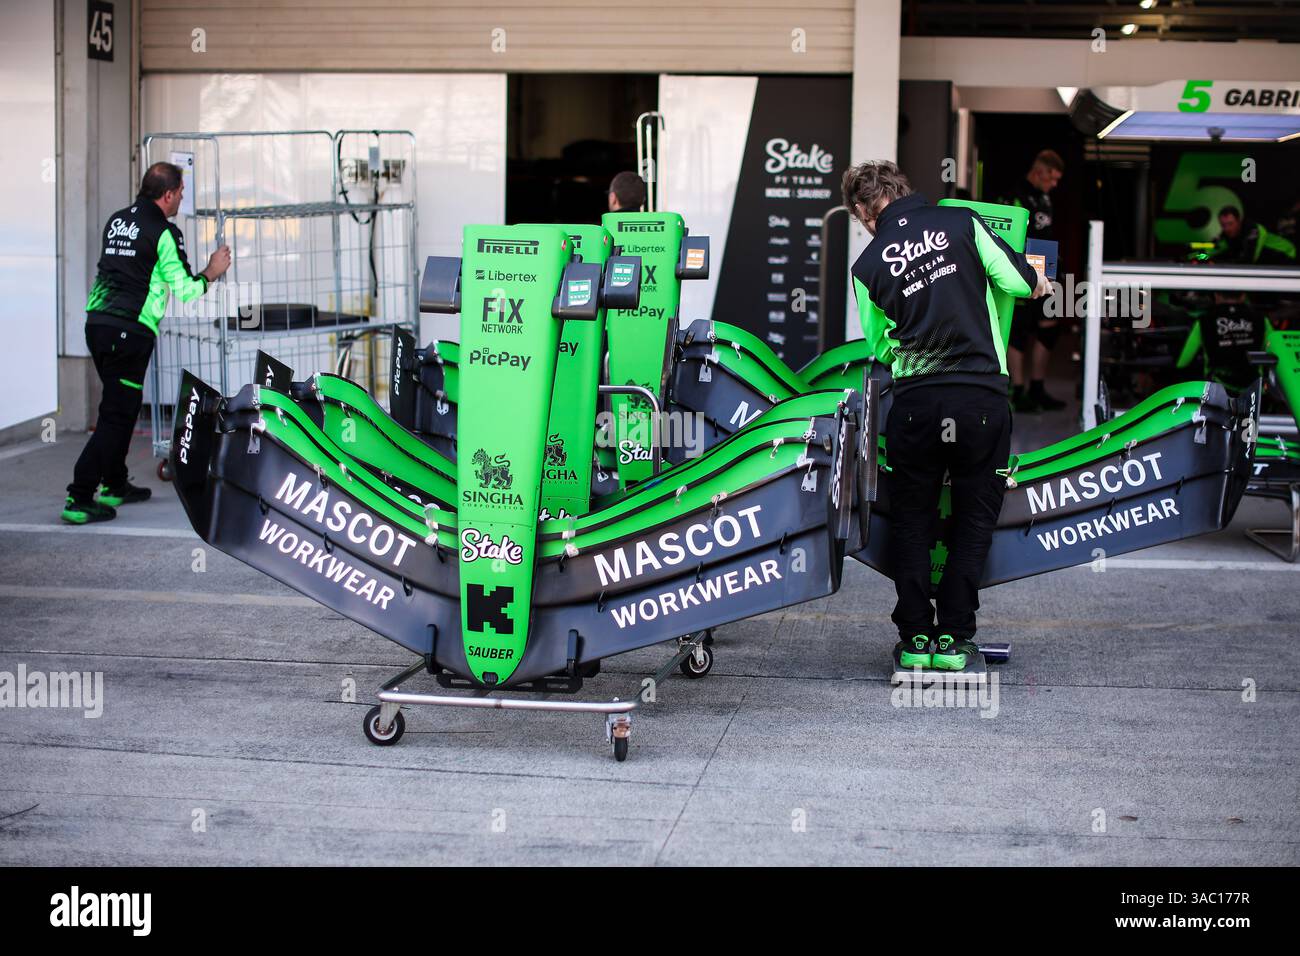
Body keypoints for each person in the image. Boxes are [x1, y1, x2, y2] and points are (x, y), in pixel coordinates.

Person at [844, 160, 1050, 671]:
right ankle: (955, 640)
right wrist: (1041, 280)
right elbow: (1021, 283)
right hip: (980, 399)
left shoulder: (866, 267)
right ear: (904, 190)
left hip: (915, 405)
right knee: (974, 519)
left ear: (864, 212)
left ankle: (915, 640)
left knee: (913, 519)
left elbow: (881, 349)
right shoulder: (962, 222)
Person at [62, 162, 231, 525]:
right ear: (168, 194)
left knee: (122, 404)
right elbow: (186, 289)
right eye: (181, 193)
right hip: (130, 331)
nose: (181, 199)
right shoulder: (164, 232)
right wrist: (212, 272)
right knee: (116, 414)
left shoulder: (117, 220)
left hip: (98, 324)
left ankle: (115, 483)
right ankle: (79, 495)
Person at [1006, 149, 1066, 412]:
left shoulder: (1044, 197)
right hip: (1021, 269)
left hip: (1048, 269)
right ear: (1039, 170)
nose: (1054, 185)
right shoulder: (1015, 193)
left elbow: (1046, 235)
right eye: (1051, 178)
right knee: (1018, 330)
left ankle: (1037, 387)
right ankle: (1017, 391)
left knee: (1050, 327)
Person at [1202, 206, 1296, 265]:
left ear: (1239, 221)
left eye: (1230, 224)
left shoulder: (1253, 230)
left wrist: (1215, 263)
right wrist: (1201, 258)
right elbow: (1205, 253)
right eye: (1223, 225)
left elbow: (1247, 261)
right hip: (1264, 264)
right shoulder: (1224, 235)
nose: (1227, 229)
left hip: (1287, 256)